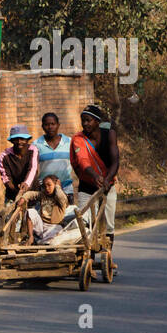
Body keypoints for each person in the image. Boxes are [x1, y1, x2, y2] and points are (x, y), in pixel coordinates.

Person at [71, 103, 120, 244]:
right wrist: (95, 176)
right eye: (83, 120)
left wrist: (107, 179)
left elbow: (115, 161)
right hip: (87, 186)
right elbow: (82, 161)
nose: (85, 124)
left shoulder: (110, 135)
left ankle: (107, 252)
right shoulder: (78, 139)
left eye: (88, 120)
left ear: (97, 122)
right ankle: (89, 255)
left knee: (109, 224)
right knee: (85, 224)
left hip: (107, 185)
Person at [16, 174, 70, 244]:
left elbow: (61, 196)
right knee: (30, 211)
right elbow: (31, 194)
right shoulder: (43, 195)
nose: (47, 188)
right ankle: (31, 237)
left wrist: (58, 186)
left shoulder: (60, 198)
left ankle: (41, 242)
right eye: (45, 186)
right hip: (42, 225)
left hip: (54, 226)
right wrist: (23, 198)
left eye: (49, 185)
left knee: (53, 237)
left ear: (56, 185)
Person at [33, 111, 75, 199]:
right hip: (46, 189)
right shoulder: (36, 144)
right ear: (42, 127)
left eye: (53, 124)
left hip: (66, 188)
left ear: (58, 125)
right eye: (46, 124)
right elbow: (34, 168)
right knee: (45, 212)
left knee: (67, 212)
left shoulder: (69, 142)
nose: (50, 127)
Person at [0, 124, 38, 204]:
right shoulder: (4, 156)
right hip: (12, 195)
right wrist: (17, 190)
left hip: (32, 194)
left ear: (27, 140)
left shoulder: (33, 150)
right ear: (12, 141)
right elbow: (6, 178)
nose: (19, 142)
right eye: (16, 139)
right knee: (9, 215)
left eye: (22, 139)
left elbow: (33, 169)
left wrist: (26, 184)